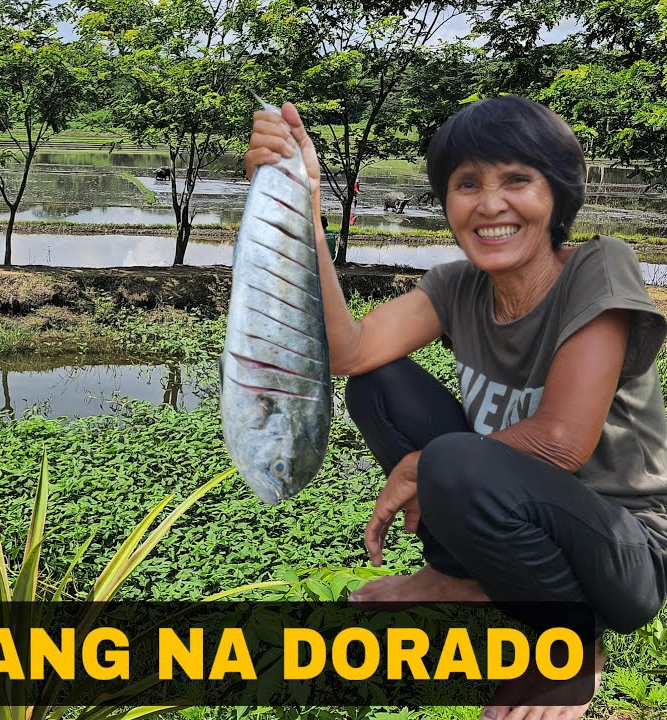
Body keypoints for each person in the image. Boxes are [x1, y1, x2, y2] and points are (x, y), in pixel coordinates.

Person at [246, 96, 667, 719]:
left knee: (452, 462)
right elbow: (349, 352)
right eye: (467, 183)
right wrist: (303, 203)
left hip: (625, 552)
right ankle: (461, 577)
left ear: (558, 196)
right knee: (378, 382)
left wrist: (423, 463)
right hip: (507, 502)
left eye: (517, 180)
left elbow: (561, 442)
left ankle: (571, 647)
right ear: (447, 202)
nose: (490, 204)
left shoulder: (600, 269)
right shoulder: (458, 285)